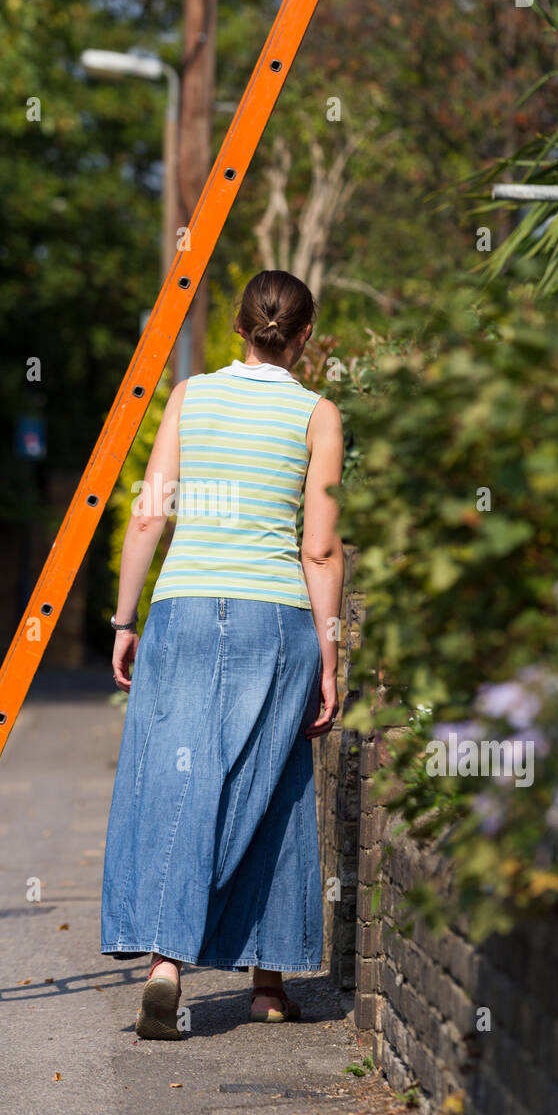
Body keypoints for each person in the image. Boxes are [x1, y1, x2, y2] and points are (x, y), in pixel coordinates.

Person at [100, 269, 344, 1039]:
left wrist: (123, 618)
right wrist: (330, 657)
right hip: (275, 618)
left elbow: (148, 514)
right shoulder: (317, 414)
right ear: (304, 337)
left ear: (238, 327)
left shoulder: (191, 397)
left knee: (175, 779)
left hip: (184, 609)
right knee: (275, 782)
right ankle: (267, 988)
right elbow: (321, 547)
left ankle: (166, 964)